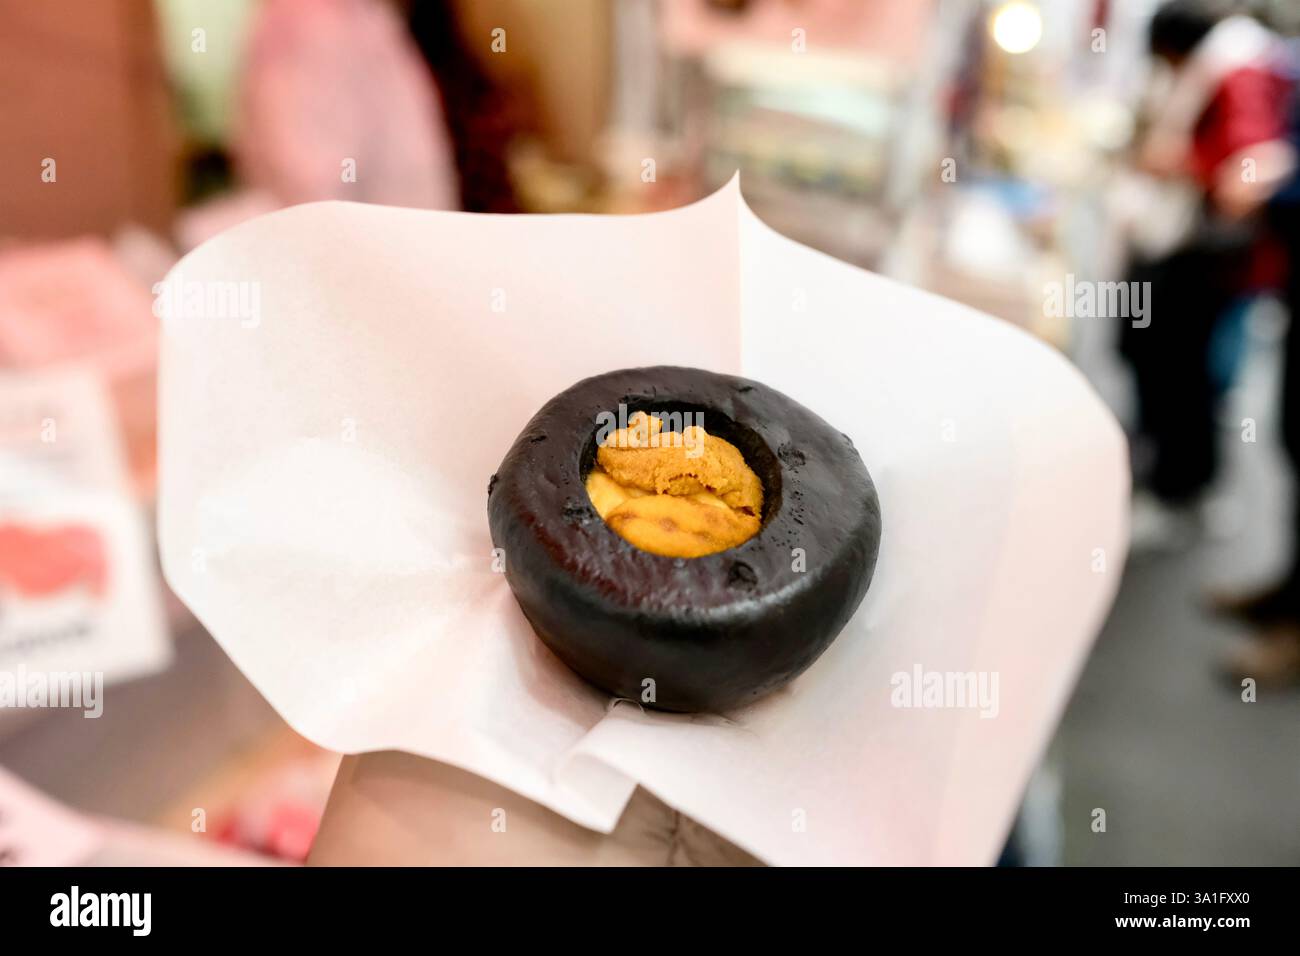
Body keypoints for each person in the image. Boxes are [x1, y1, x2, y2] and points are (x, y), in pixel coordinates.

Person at [1120, 1, 1293, 543]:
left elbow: (1242, 172)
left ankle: (1181, 492)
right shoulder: (1246, 60)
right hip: (1208, 256)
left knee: (1179, 372)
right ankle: (1176, 483)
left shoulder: (1237, 71)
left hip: (1205, 257)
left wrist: (1182, 161)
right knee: (1164, 361)